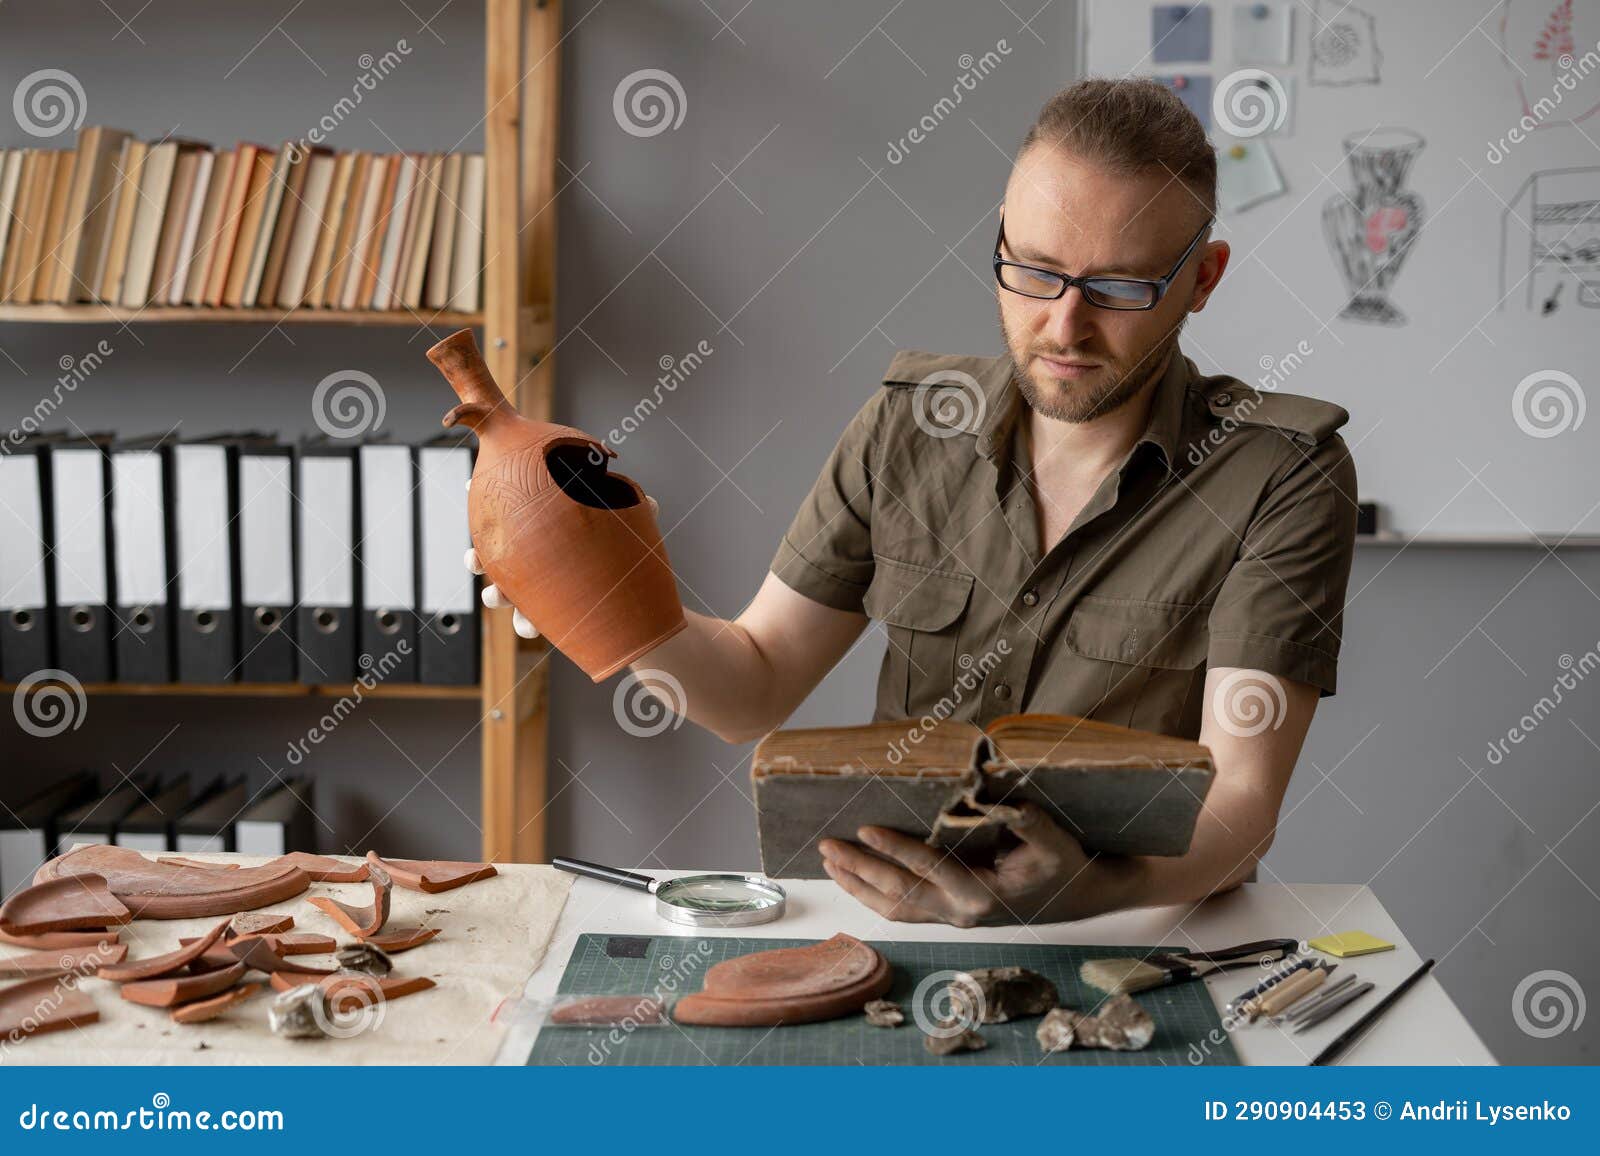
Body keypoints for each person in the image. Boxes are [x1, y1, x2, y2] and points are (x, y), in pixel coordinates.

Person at [468, 77, 1358, 927]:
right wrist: (609, 611)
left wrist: (1080, 890)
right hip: (896, 929)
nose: (1063, 325)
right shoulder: (910, 427)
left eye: (1119, 287)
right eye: (1035, 271)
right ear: (1000, 239)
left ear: (1203, 279)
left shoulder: (1282, 474)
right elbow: (752, 689)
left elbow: (1241, 803)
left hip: (1143, 936)